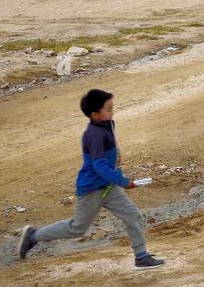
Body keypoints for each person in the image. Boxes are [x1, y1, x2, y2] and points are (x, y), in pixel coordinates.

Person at [17, 89, 164, 268]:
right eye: (108, 109)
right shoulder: (94, 134)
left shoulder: (107, 124)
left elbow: (110, 155)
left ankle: (141, 257)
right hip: (92, 189)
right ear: (94, 115)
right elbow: (99, 165)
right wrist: (124, 181)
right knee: (77, 228)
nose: (112, 112)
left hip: (109, 187)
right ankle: (33, 236)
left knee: (133, 216)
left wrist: (117, 162)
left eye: (112, 107)